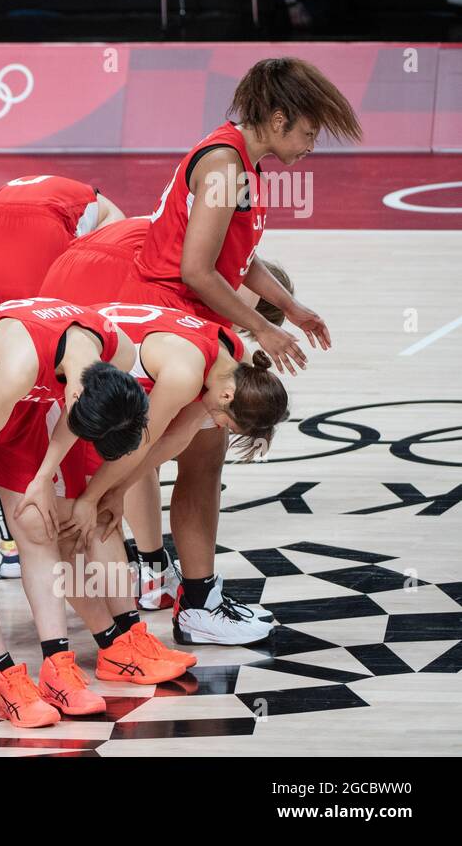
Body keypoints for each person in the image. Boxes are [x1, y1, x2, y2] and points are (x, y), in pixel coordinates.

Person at [109, 57, 361, 642]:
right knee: (199, 463)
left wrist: (290, 307)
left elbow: (235, 260)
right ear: (278, 119)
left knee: (194, 459)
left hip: (180, 319)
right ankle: (196, 607)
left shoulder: (237, 160)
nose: (311, 146)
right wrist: (262, 330)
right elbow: (197, 271)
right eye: (308, 132)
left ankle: (182, 589)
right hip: (170, 320)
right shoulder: (225, 165)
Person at [0, 297, 184, 728]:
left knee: (38, 526)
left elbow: (71, 415)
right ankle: (5, 679)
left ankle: (56, 666)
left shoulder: (116, 349)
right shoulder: (21, 362)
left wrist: (44, 475)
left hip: (30, 406)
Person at [60, 304, 290, 643]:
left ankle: (126, 619)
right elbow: (139, 442)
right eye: (227, 423)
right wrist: (96, 496)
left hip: (92, 345)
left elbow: (175, 438)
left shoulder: (231, 361)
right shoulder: (185, 374)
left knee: (102, 499)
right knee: (82, 512)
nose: (220, 426)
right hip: (63, 362)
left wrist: (118, 490)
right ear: (228, 396)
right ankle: (107, 637)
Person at [0, 175, 125, 579]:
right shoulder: (104, 212)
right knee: (57, 366)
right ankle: (50, 511)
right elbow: (107, 265)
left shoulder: (63, 195)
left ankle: (7, 541)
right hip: (36, 235)